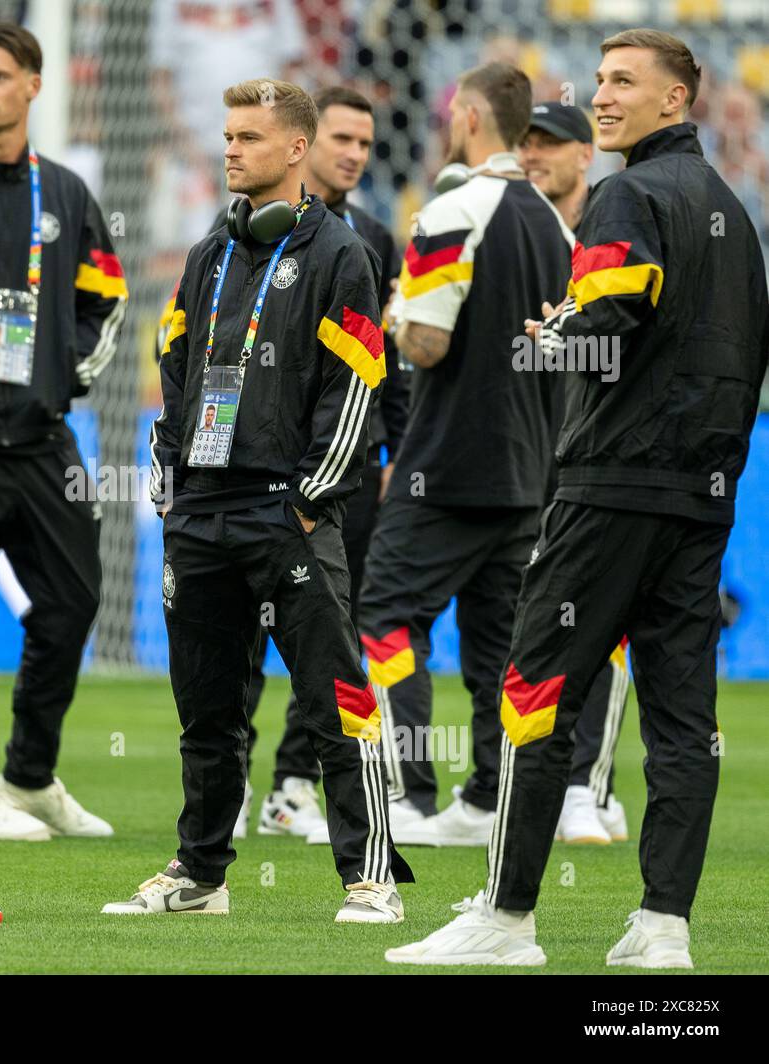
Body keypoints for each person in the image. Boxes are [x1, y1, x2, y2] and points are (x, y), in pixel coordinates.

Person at [388, 29, 769, 968]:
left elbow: (608, 317)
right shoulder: (732, 210)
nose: (601, 95)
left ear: (675, 99)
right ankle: (663, 928)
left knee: (535, 693)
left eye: (623, 82)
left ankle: (507, 917)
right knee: (683, 719)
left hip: (610, 485)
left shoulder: (627, 194)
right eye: (599, 79)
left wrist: (556, 334)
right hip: (702, 495)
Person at [105, 79, 411, 921]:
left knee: (335, 701)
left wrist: (308, 499)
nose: (230, 149)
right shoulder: (210, 251)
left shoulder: (341, 253)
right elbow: (174, 371)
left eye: (247, 136)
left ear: (296, 148)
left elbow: (357, 385)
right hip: (201, 513)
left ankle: (371, 880)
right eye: (228, 134)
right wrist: (173, 484)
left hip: (288, 513)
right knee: (207, 711)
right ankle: (200, 875)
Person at [360, 63, 574, 847]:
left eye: (455, 113)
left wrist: (396, 311)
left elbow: (427, 341)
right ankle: (488, 798)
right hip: (529, 469)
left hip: (448, 464)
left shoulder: (453, 210)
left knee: (385, 615)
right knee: (497, 641)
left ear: (472, 117)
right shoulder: (558, 227)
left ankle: (406, 795)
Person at [0, 23, 126, 842]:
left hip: (48, 439)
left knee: (74, 602)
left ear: (33, 86)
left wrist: (64, 372)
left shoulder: (69, 193)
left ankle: (29, 776)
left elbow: (107, 300)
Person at [236, 85, 412, 845]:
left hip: (340, 470)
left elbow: (385, 362)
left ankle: (292, 785)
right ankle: (233, 783)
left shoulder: (371, 239)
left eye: (366, 144)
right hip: (252, 469)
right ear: (305, 145)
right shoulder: (236, 235)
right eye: (343, 138)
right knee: (239, 632)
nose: (355, 154)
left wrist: (391, 449)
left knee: (330, 634)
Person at [520, 100, 631, 846]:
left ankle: (585, 786)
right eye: (527, 142)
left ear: (585, 154)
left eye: (551, 143)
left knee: (601, 622)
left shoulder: (611, 230)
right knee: (531, 630)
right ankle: (532, 784)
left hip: (591, 458)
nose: (535, 154)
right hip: (517, 461)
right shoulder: (512, 230)